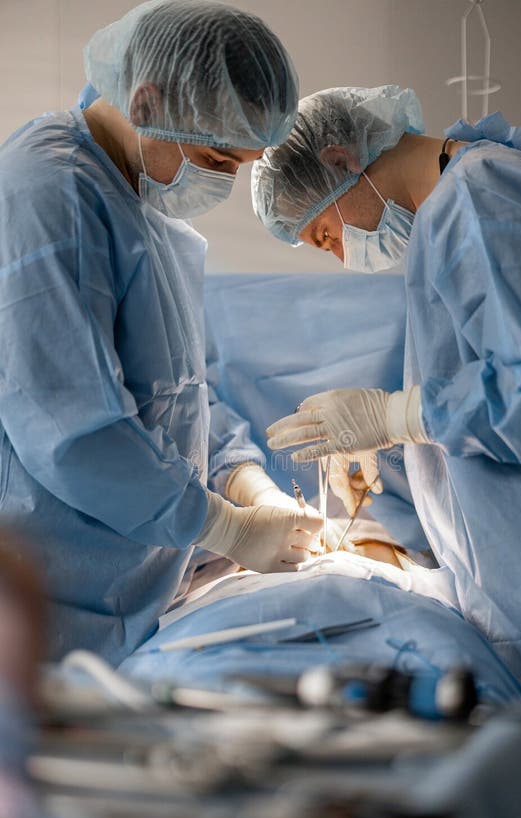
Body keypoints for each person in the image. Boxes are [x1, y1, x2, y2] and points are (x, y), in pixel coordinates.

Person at [251, 85, 521, 712]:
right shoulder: (452, 210)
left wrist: (395, 417)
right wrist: (397, 425)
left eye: (326, 234)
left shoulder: (484, 195)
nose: (338, 255)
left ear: (339, 159)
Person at [0, 0, 322, 666]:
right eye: (216, 158)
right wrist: (223, 527)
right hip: (57, 607)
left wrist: (242, 478)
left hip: (136, 591)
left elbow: (178, 394)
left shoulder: (141, 203)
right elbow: (75, 430)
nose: (225, 182)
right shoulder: (50, 192)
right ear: (145, 101)